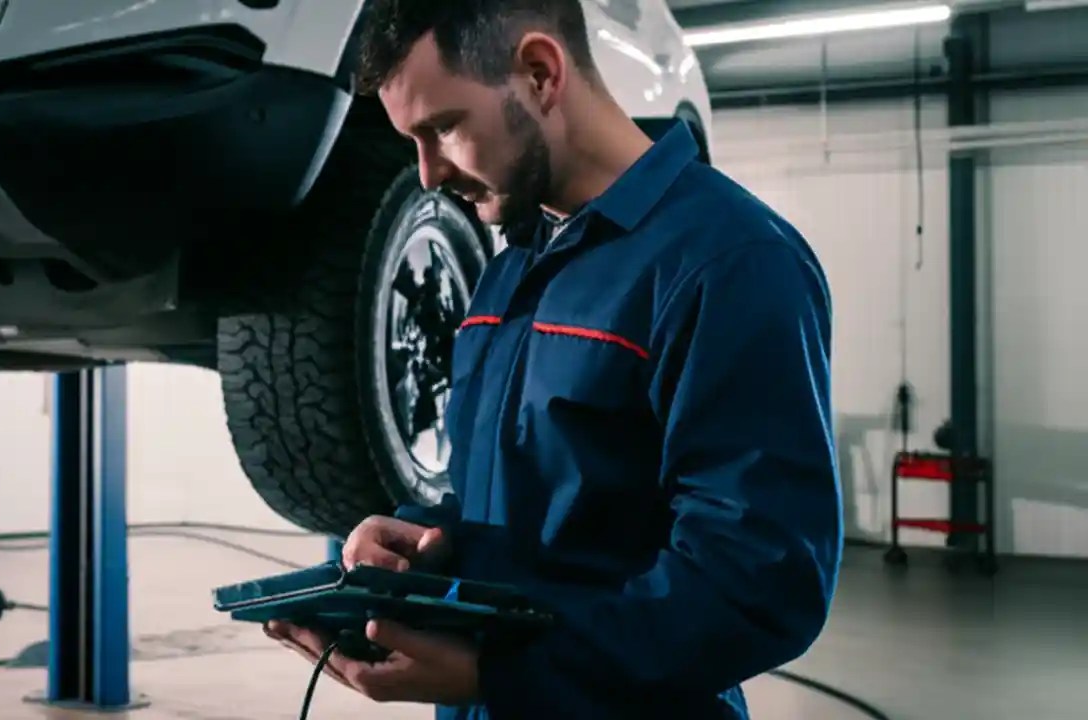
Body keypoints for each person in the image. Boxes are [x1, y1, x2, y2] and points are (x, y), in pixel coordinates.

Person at [265, 1, 844, 718]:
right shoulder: (511, 270)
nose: (426, 174)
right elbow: (542, 499)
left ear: (539, 73)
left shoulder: (730, 263)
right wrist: (431, 540)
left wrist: (502, 670)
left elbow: (758, 581)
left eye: (442, 128)